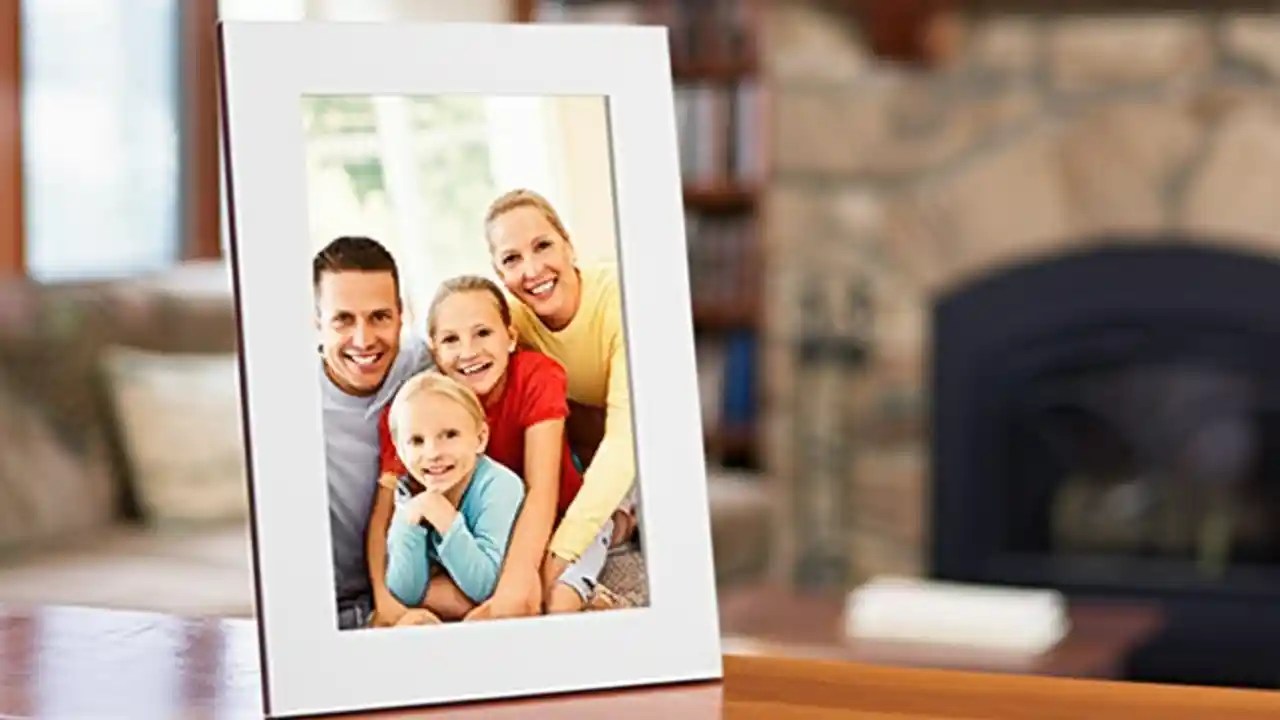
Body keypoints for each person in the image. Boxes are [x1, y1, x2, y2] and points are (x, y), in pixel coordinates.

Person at [381, 275, 610, 612]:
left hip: (558, 512)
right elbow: (391, 505)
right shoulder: (424, 405)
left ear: (511, 337)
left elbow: (541, 491)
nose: (469, 352)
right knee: (441, 593)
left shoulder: (536, 376)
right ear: (435, 350)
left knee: (553, 599)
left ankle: (618, 519)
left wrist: (514, 587)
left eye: (483, 333)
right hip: (483, 530)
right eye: (451, 340)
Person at [477, 188, 638, 613]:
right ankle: (618, 522)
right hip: (592, 434)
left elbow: (626, 444)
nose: (531, 270)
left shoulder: (621, 298)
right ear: (498, 273)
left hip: (647, 429)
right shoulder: (511, 319)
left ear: (568, 245)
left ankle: (619, 525)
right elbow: (446, 335)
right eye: (511, 260)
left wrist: (555, 560)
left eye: (543, 246)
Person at [313, 235, 431, 629]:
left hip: (421, 590)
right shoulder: (290, 404)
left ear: (402, 315)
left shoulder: (429, 365)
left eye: (380, 317)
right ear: (316, 323)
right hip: (331, 609)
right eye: (343, 320)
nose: (364, 340)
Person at [381, 370, 526, 622]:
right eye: (416, 441)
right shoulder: (410, 493)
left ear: (480, 438)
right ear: (399, 450)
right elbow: (405, 592)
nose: (433, 453)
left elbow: (485, 586)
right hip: (462, 577)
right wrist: (409, 524)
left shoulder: (501, 486)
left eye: (450, 435)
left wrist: (446, 520)